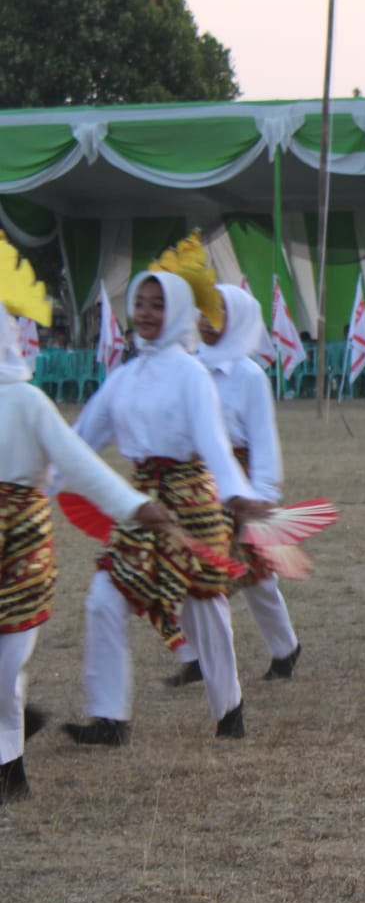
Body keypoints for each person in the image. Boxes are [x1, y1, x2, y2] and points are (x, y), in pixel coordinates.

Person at [65, 263, 271, 746]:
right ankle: (109, 720)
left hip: (192, 506)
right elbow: (79, 440)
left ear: (176, 311)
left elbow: (215, 445)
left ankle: (230, 711)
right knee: (103, 598)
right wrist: (36, 474)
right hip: (142, 506)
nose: (144, 313)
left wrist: (239, 494)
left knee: (205, 612)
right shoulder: (125, 376)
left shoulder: (191, 374)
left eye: (157, 305)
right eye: (139, 303)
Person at [0, 265, 174, 801]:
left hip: (21, 551)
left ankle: (10, 766)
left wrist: (135, 506)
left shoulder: (28, 403)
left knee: (7, 663)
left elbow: (79, 463)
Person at [165, 284, 302, 689]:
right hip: (195, 483)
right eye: (204, 313)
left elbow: (263, 440)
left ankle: (285, 648)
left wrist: (262, 496)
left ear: (238, 319)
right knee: (188, 568)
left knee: (256, 576)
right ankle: (196, 656)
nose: (207, 322)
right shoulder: (189, 367)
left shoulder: (249, 376)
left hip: (240, 485)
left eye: (218, 314)